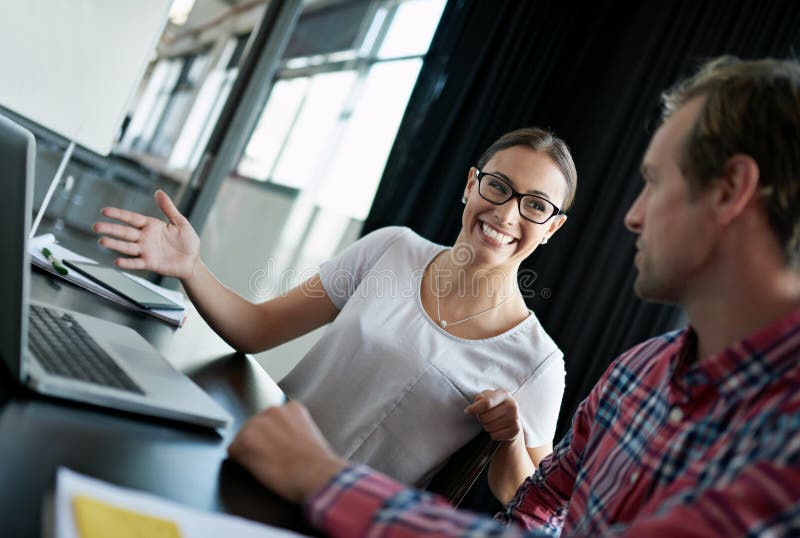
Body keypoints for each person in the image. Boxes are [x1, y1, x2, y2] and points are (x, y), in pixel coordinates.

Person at [226, 55, 800, 536]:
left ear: (731, 191)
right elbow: (534, 510)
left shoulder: (784, 445)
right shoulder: (636, 375)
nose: (632, 216)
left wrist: (321, 477)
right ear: (472, 184)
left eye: (654, 182)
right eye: (498, 188)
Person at [93, 128, 577, 495]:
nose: (507, 214)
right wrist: (190, 266)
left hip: (345, 520)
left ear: (552, 228)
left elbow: (523, 498)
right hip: (256, 467)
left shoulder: (537, 362)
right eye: (497, 186)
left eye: (535, 205)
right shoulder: (392, 248)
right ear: (471, 185)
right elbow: (257, 329)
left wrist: (511, 439)